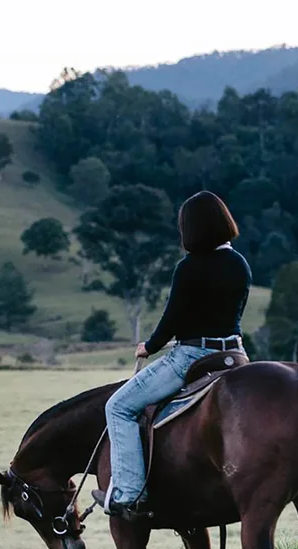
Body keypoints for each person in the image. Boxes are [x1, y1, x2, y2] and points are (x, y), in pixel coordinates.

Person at [92, 190, 252, 521]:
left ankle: (129, 492)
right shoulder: (240, 264)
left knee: (118, 407)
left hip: (192, 357)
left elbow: (172, 320)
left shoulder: (189, 268)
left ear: (191, 229)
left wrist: (148, 347)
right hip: (235, 356)